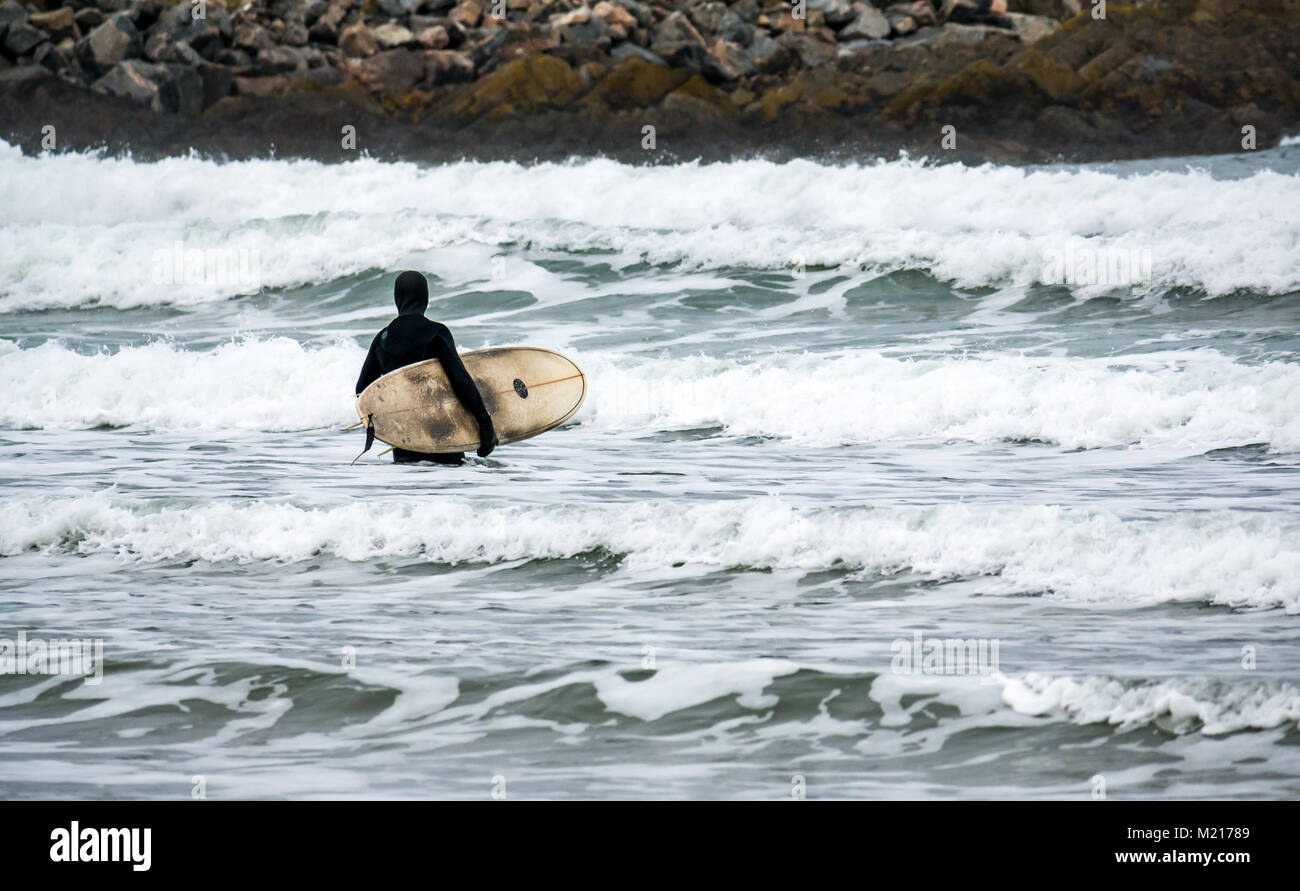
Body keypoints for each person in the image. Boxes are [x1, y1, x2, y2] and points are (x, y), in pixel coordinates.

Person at [355, 271, 497, 464]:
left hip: (406, 444)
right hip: (442, 438)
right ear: (426, 298)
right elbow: (460, 381)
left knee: (411, 492)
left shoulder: (382, 339)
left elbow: (362, 391)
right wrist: (485, 423)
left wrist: (388, 428)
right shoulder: (436, 333)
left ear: (398, 299)